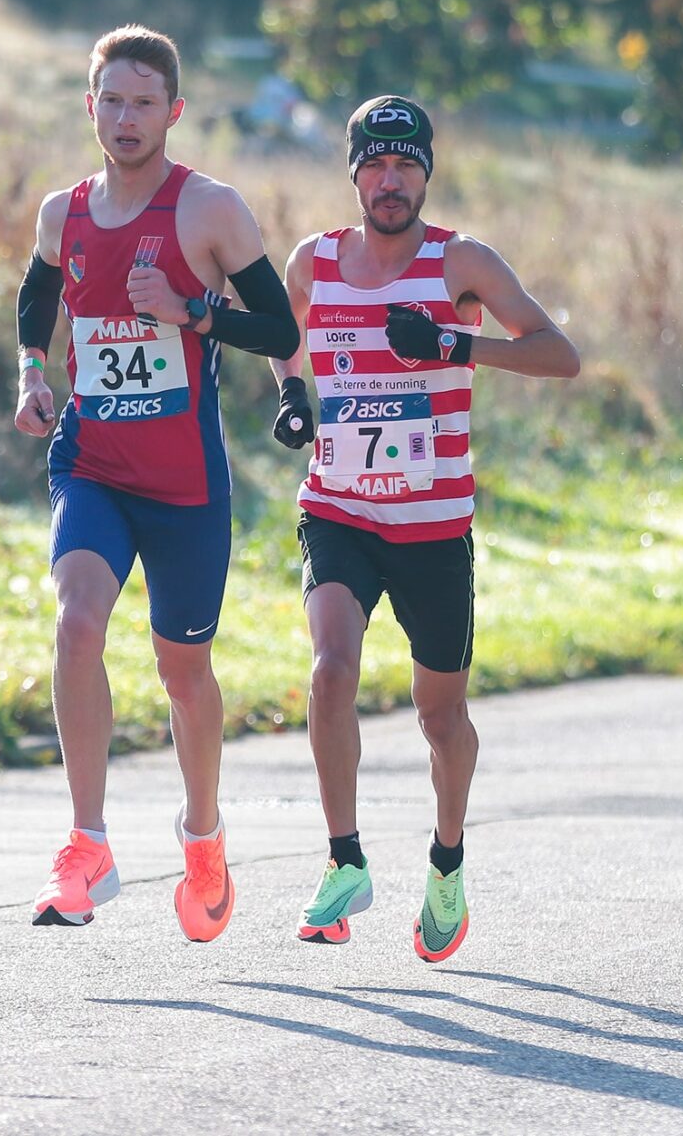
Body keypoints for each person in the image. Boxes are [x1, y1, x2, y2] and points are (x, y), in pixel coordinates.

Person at [270, 95, 579, 959]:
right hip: (338, 508)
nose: (391, 180)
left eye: (407, 164)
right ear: (355, 172)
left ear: (427, 173)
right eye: (375, 163)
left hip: (434, 526)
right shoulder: (315, 261)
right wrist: (294, 398)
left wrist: (454, 346)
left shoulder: (461, 262)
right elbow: (282, 332)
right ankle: (344, 860)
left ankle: (447, 861)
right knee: (331, 669)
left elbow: (559, 354)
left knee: (440, 717)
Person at [14, 25, 298, 941]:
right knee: (77, 618)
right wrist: (30, 370)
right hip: (92, 461)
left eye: (144, 102)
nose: (126, 117)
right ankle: (87, 841)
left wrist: (191, 312)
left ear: (173, 112)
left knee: (184, 671)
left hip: (184, 484)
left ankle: (203, 833)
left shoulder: (209, 209)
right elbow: (37, 295)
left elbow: (280, 327)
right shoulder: (64, 212)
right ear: (88, 105)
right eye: (111, 99)